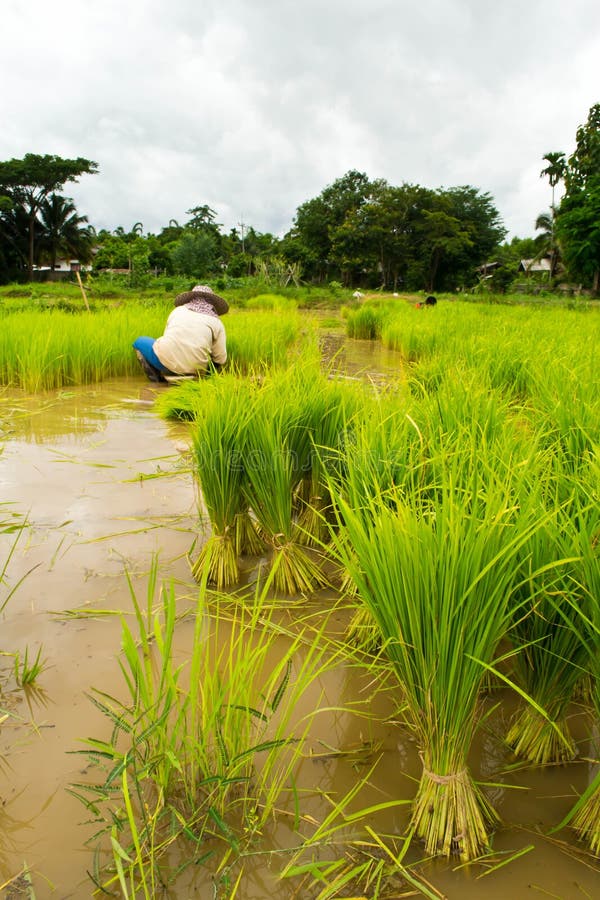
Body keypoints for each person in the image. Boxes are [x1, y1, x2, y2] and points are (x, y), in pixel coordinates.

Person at [133, 284, 228, 382]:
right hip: (197, 369)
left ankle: (157, 381)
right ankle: (201, 380)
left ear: (191, 298)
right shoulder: (216, 322)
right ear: (212, 303)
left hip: (165, 362)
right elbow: (220, 359)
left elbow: (166, 337)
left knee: (139, 342)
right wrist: (207, 373)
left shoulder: (178, 311)